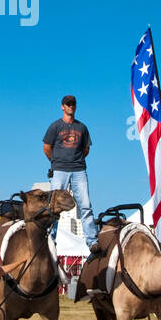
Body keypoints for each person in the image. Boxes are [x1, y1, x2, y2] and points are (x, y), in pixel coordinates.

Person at [42, 94, 96, 249]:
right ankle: (49, 239)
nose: (70, 106)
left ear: (75, 106)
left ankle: (92, 241)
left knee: (85, 205)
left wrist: (75, 160)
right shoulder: (55, 126)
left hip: (79, 170)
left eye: (73, 104)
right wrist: (56, 161)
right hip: (59, 170)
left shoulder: (82, 128)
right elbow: (46, 148)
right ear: (62, 106)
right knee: (54, 206)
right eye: (68, 104)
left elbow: (86, 149)